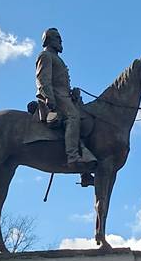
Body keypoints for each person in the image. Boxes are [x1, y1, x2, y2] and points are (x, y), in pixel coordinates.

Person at [35, 27, 96, 172]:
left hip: (65, 96)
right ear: (48, 40)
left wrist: (72, 93)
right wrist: (49, 97)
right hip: (55, 96)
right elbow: (42, 79)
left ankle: (85, 165)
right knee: (73, 117)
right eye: (57, 38)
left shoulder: (57, 58)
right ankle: (72, 157)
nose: (60, 41)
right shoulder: (45, 55)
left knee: (86, 117)